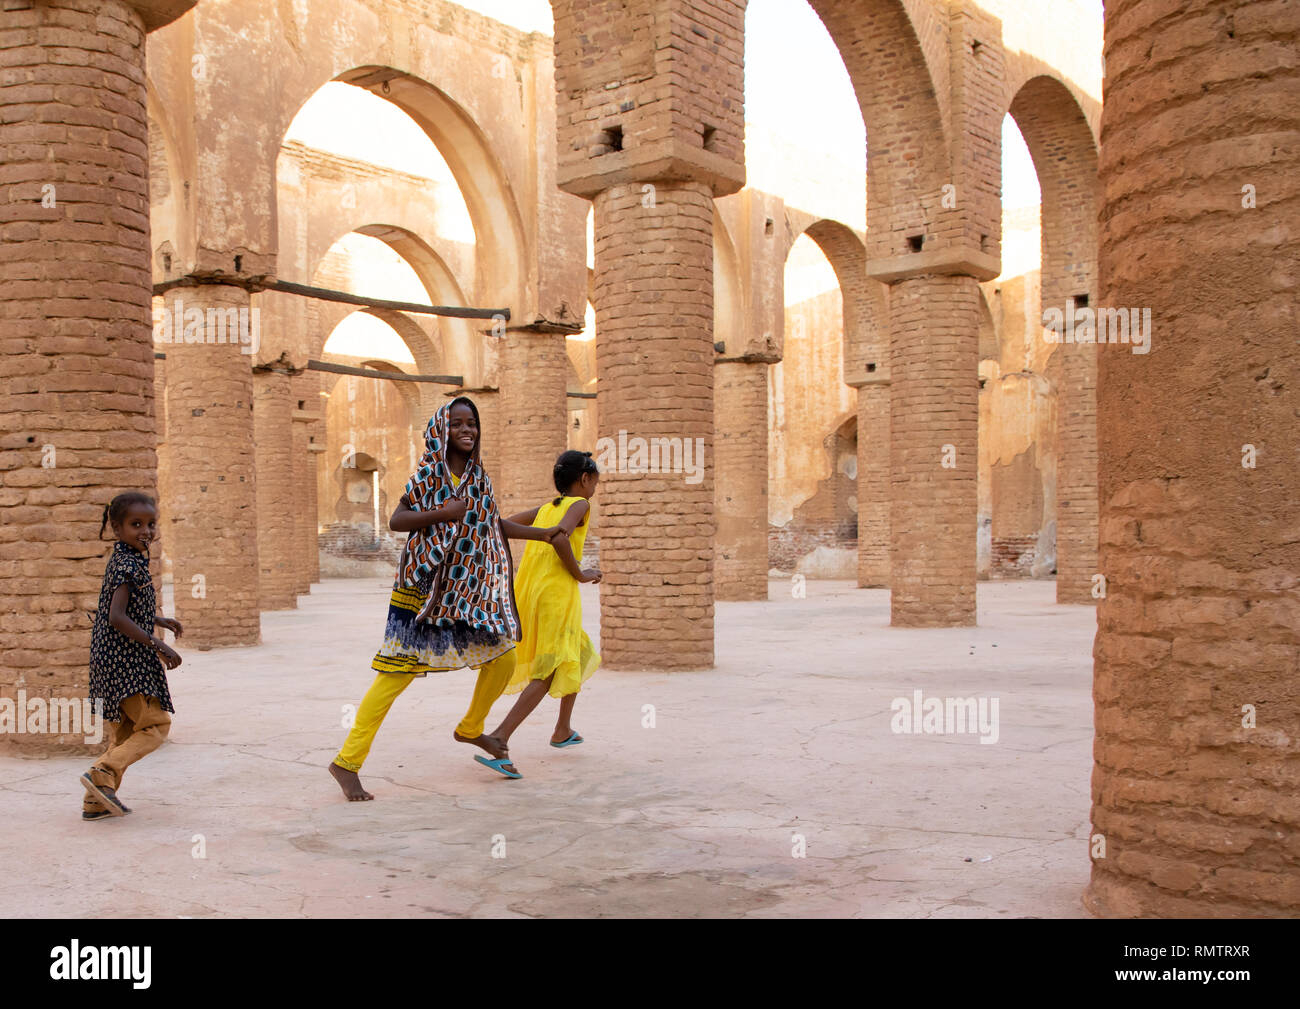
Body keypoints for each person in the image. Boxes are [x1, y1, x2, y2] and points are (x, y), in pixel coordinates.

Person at [328, 396, 563, 799]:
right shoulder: (428, 475)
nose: (466, 430)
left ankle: (471, 728)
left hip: (462, 590)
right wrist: (445, 513)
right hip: (419, 587)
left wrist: (542, 532)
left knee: (503, 656)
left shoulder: (479, 478)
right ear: (442, 430)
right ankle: (346, 763)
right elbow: (398, 520)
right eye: (457, 424)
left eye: (471, 423)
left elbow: (491, 523)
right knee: (395, 675)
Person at [485, 450, 602, 777]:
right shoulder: (581, 505)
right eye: (594, 480)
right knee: (549, 668)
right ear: (584, 479)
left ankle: (562, 729)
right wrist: (580, 573)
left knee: (577, 652)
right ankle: (499, 738)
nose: (594, 487)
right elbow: (560, 537)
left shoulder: (548, 507)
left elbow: (501, 526)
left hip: (532, 588)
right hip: (556, 593)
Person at [81, 492, 183, 819]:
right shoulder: (127, 562)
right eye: (135, 524)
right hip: (124, 660)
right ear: (116, 527)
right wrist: (159, 644)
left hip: (111, 658)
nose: (146, 531)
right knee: (155, 725)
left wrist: (157, 619)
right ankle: (102, 772)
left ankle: (95, 803)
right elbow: (116, 616)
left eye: (151, 524)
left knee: (124, 732)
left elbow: (125, 610)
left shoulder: (129, 556)